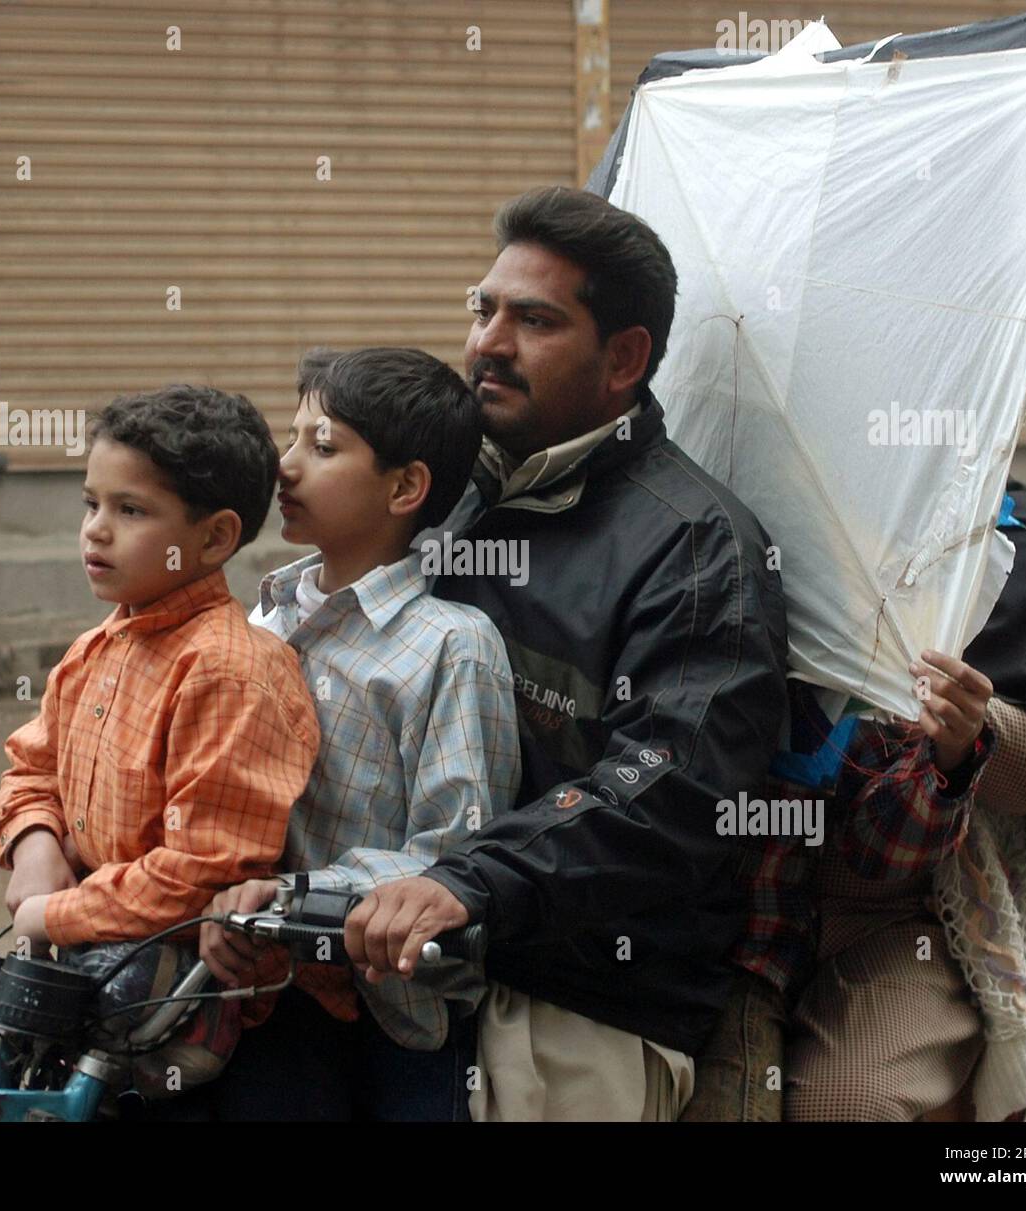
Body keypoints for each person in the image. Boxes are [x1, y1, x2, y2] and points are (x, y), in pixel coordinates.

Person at [337, 186, 791, 1120]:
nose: (487, 342)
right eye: (484, 308)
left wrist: (468, 882)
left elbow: (671, 788)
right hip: (388, 949)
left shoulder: (698, 549)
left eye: (534, 319)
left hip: (580, 998)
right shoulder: (445, 491)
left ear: (625, 356)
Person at [187, 347, 522, 1122]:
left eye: (323, 446)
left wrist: (290, 896)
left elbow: (454, 854)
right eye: (293, 436)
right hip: (265, 991)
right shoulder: (268, 618)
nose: (286, 466)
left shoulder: (450, 645)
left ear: (406, 486)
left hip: (396, 1017)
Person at [780, 481, 1026, 1121]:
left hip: (915, 912)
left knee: (841, 1106)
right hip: (722, 896)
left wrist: (971, 732)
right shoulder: (734, 494)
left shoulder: (1010, 528)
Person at [0, 385, 318, 959]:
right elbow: (33, 769)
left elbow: (200, 876)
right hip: (97, 968)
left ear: (215, 537)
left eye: (130, 510)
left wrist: (53, 913)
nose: (96, 529)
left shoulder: (230, 673)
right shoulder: (96, 650)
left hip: (188, 998)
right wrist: (34, 843)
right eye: (92, 504)